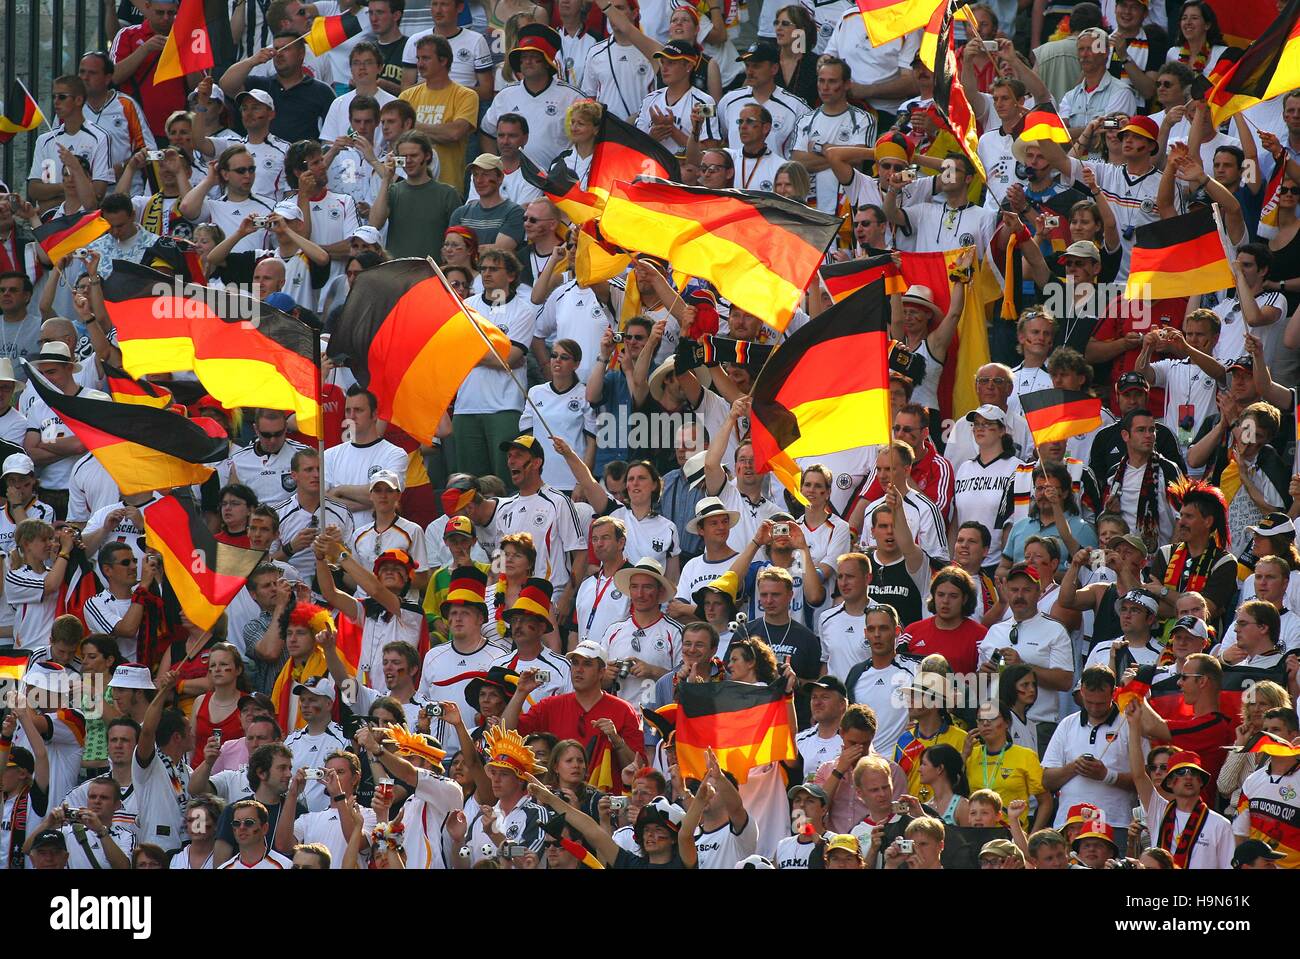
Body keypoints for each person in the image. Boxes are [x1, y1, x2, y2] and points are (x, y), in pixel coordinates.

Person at [1125, 704, 1234, 868]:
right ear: (1169, 782)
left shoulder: (1220, 824)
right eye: (1181, 772)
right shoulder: (1159, 811)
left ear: (1201, 781)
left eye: (1194, 773)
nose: (1188, 776)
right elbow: (1139, 775)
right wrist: (1134, 726)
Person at [977, 563, 1073, 746]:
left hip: (1038, 725)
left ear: (1039, 592)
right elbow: (978, 686)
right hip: (994, 726)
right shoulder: (994, 631)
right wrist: (983, 675)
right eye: (1014, 590)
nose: (1019, 596)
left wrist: (1023, 666)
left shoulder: (1055, 630)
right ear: (1005, 591)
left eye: (1026, 590)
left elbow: (1065, 681)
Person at [368, 130, 461, 259]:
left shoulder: (448, 194)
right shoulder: (394, 191)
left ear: (427, 156)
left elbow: (458, 240)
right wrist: (386, 179)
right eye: (403, 157)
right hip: (398, 271)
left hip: (432, 271)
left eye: (414, 155)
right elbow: (374, 224)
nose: (409, 161)